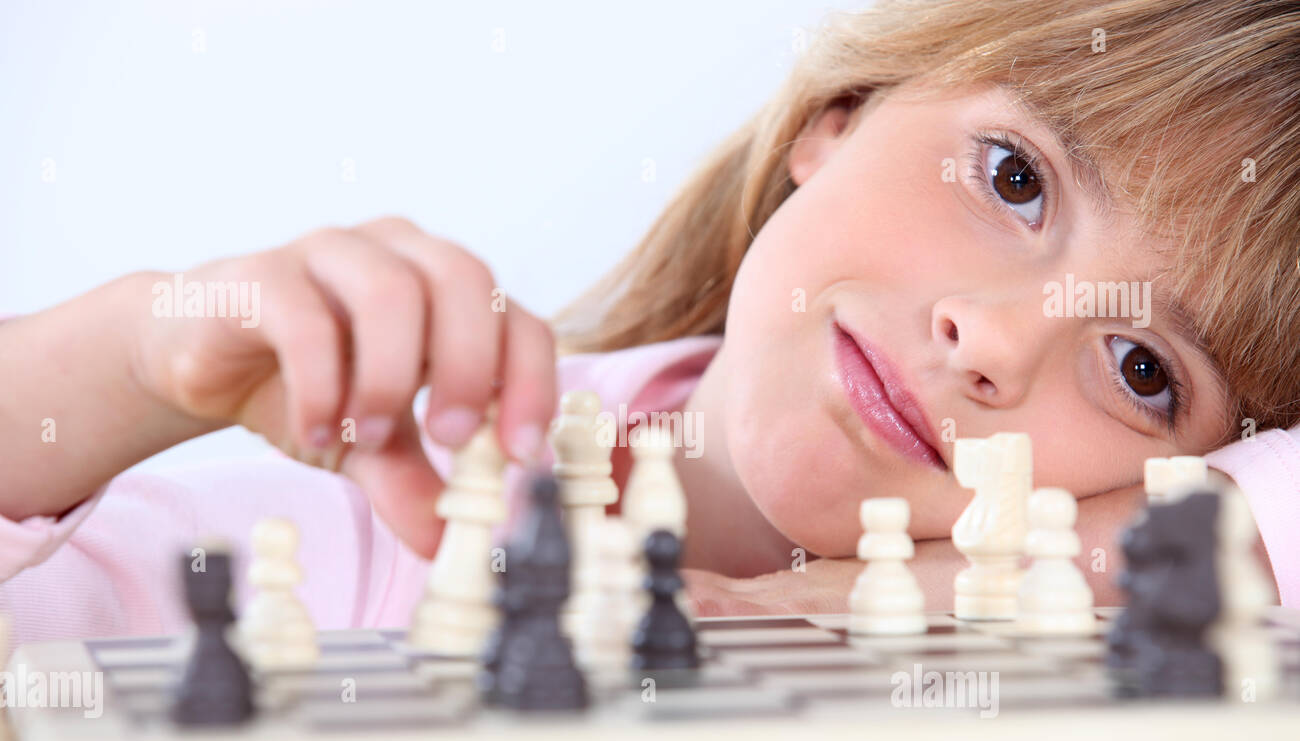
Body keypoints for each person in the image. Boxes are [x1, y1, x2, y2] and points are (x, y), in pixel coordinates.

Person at [3, 0, 1299, 645]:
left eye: (1142, 367)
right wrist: (129, 358)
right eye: (1014, 178)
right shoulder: (411, 506)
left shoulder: (1123, 666)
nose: (993, 343)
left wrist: (999, 580)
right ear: (832, 123)